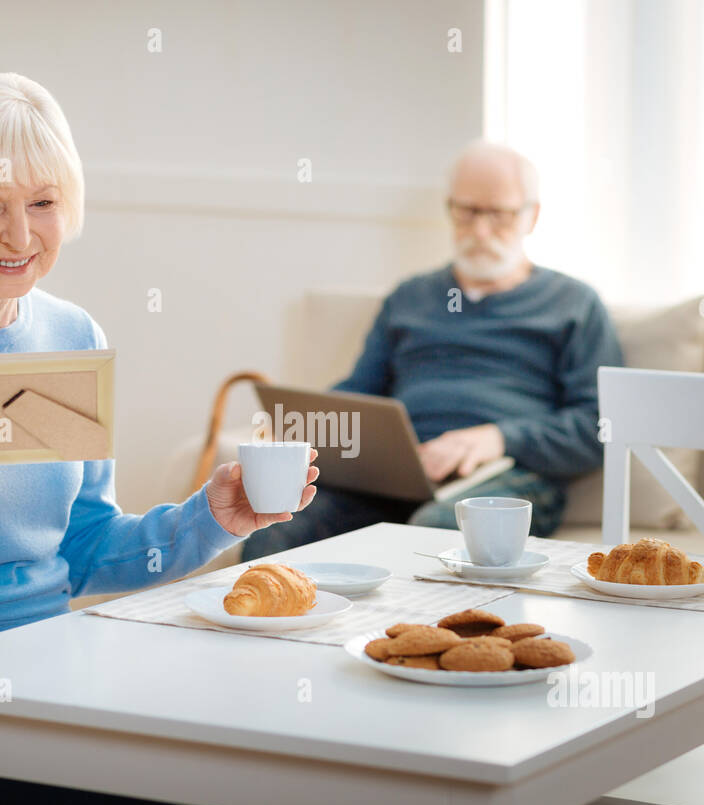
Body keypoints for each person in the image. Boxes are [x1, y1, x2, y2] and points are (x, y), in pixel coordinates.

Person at [0, 72, 358, 805]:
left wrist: (213, 517)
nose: (19, 236)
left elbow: (89, 550)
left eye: (42, 203)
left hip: (55, 674)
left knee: (267, 779)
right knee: (236, 790)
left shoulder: (70, 333)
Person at [242, 140, 623, 562]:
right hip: (398, 475)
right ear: (450, 209)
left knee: (433, 532)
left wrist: (498, 438)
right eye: (467, 211)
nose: (480, 231)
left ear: (532, 217)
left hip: (505, 476)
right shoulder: (410, 298)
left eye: (499, 214)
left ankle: (411, 631)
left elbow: (598, 426)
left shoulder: (574, 304)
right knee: (279, 523)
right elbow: (358, 392)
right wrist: (307, 425)